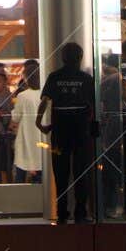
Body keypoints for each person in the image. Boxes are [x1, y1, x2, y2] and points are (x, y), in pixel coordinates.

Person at [37, 41, 97, 224]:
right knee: (81, 172)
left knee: (60, 173)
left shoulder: (54, 77)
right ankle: (81, 212)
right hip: (81, 131)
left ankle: (62, 211)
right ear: (80, 58)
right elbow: (95, 106)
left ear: (63, 58)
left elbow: (45, 101)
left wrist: (39, 123)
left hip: (60, 131)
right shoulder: (87, 79)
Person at [11, 60, 43, 183]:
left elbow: (15, 118)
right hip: (41, 137)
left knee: (22, 169)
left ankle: (20, 198)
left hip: (26, 137)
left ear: (26, 79)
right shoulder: (44, 94)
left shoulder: (22, 96)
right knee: (40, 167)